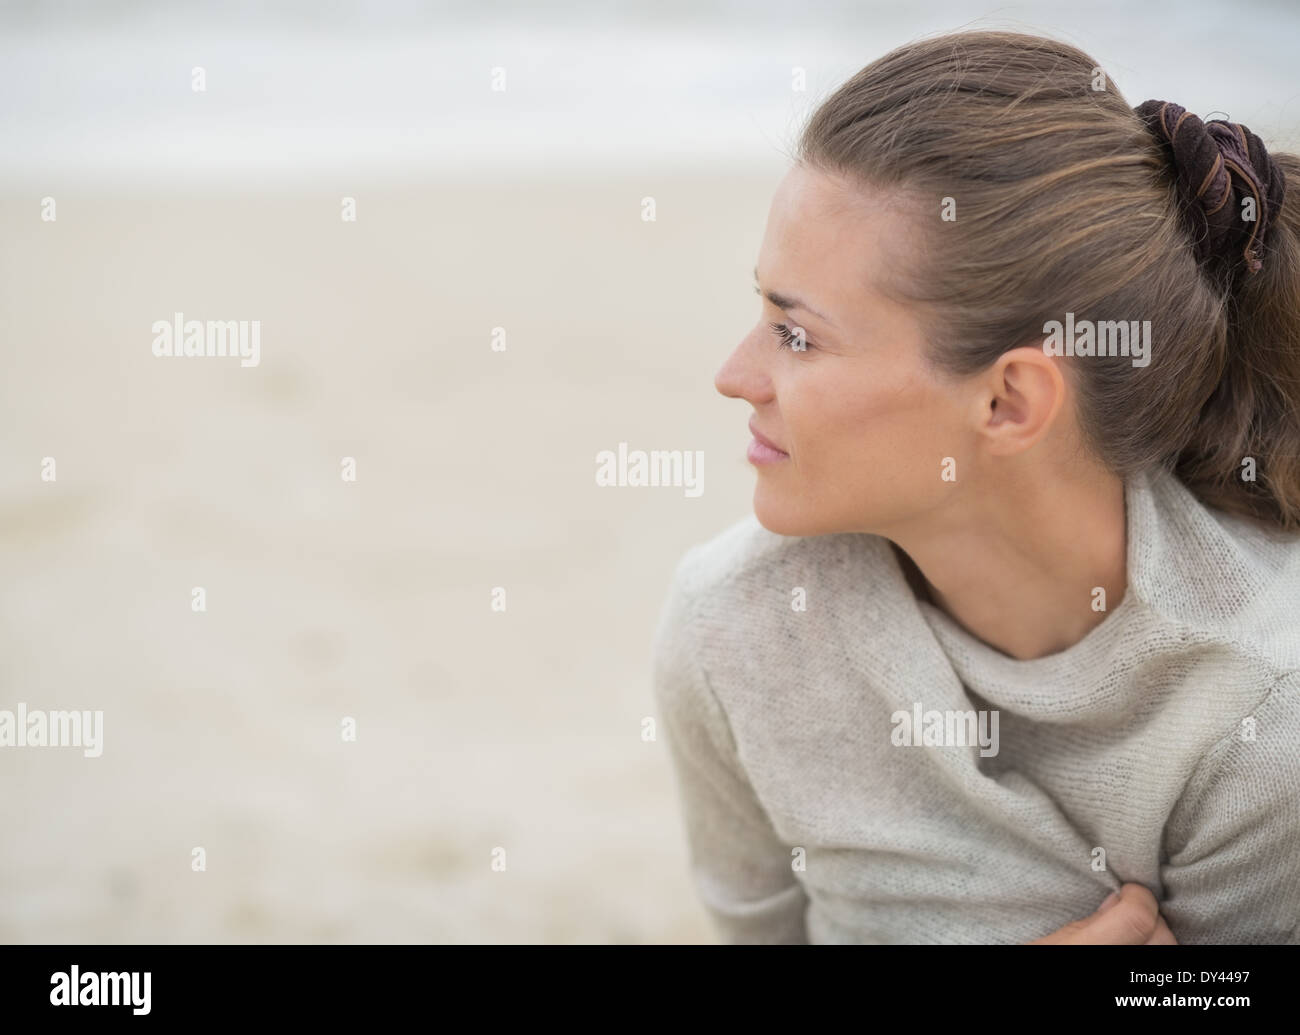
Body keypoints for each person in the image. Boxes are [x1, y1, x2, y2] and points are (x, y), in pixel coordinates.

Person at [652, 29, 1300, 944]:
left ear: (1007, 400)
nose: (733, 374)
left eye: (797, 335)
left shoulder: (1266, 712)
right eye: (763, 311)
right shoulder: (733, 628)